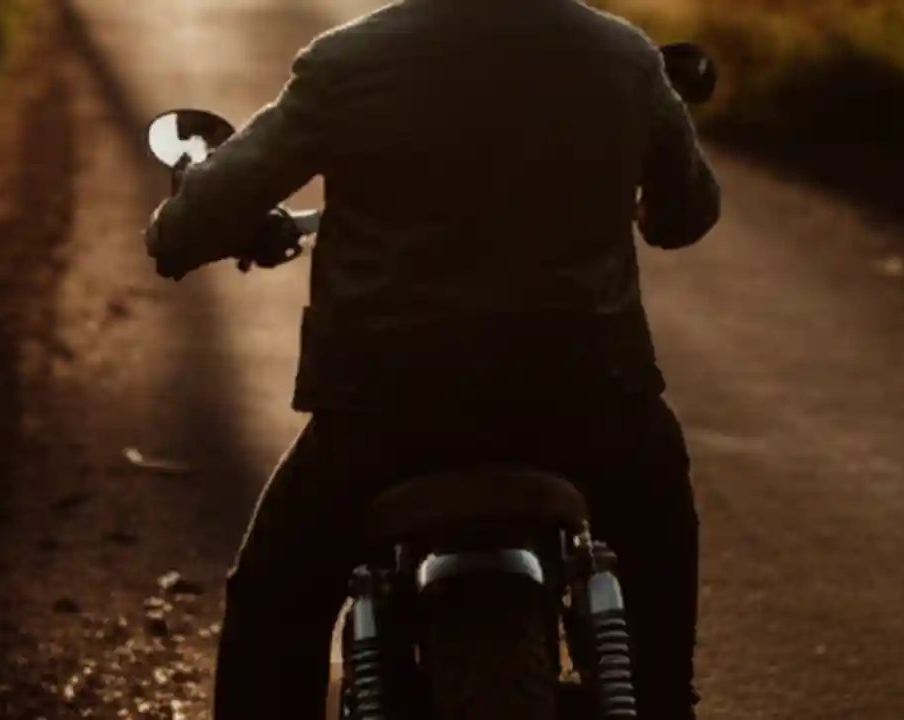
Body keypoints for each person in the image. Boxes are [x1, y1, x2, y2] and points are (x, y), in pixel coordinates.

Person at [144, 0, 719, 717]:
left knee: (273, 600)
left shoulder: (349, 62)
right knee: (657, 525)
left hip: (386, 414)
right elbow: (688, 212)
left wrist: (181, 223)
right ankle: (665, 700)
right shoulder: (622, 57)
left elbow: (193, 226)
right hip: (588, 404)